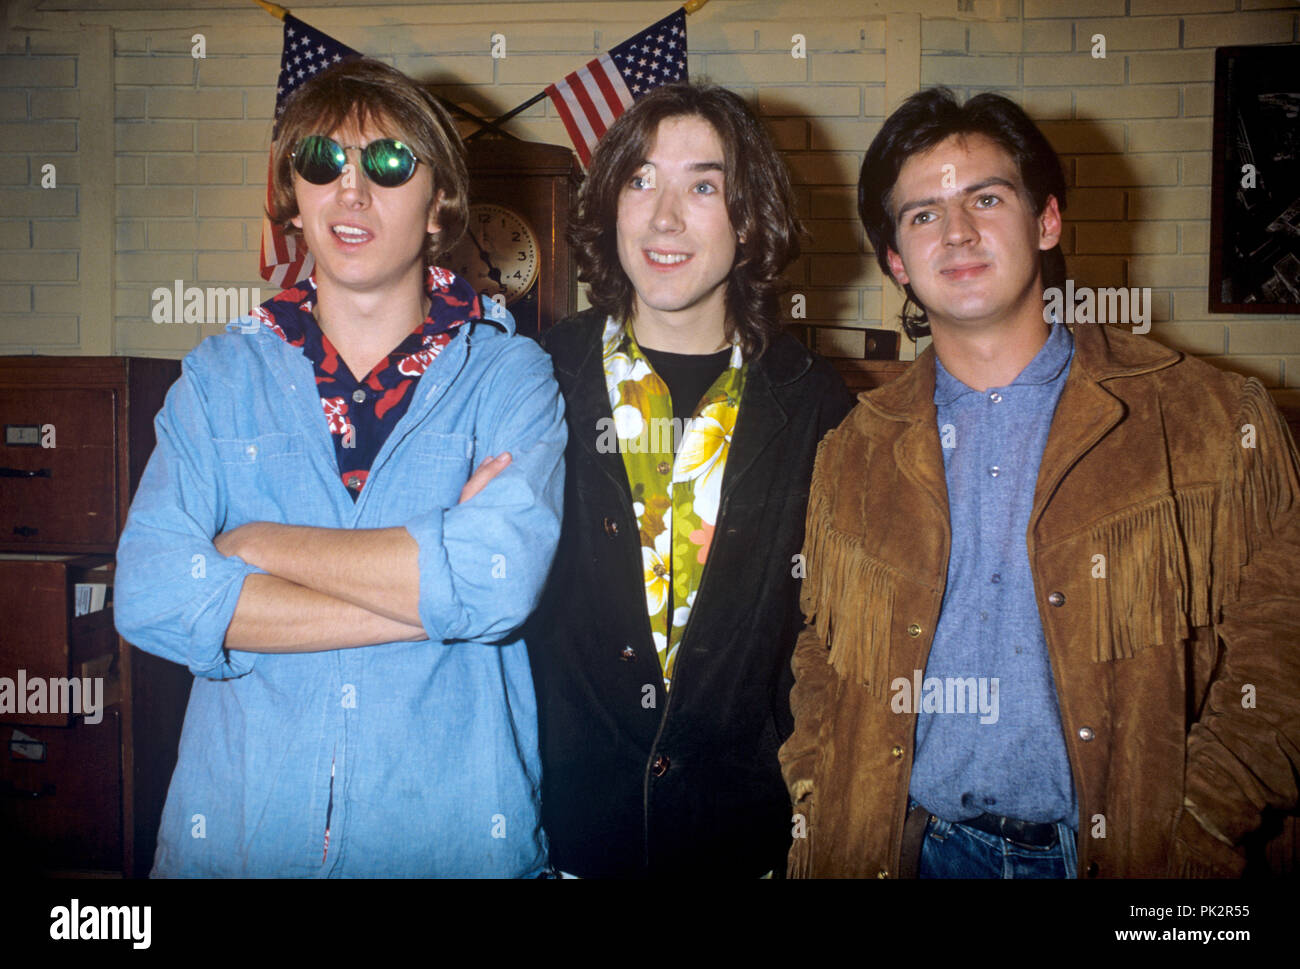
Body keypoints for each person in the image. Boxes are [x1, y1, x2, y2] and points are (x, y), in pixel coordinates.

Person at [780, 87, 1300, 878]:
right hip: (915, 850)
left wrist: (1196, 825)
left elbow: (1281, 648)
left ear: (1046, 220)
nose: (956, 231)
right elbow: (822, 652)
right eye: (922, 214)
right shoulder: (853, 449)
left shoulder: (1209, 417)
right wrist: (817, 797)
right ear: (896, 262)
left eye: (985, 198)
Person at [114, 58, 565, 877]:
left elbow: (498, 580)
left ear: (439, 206)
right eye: (322, 161)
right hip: (244, 846)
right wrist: (435, 596)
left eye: (389, 163)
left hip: (449, 846)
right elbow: (150, 594)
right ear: (294, 193)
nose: (350, 190)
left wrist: (253, 544)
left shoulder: (511, 375)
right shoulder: (219, 377)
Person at [526, 82, 855, 877]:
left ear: (749, 219)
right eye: (640, 181)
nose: (663, 218)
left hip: (738, 840)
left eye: (702, 186)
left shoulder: (819, 405)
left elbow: (831, 640)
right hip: (562, 836)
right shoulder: (533, 375)